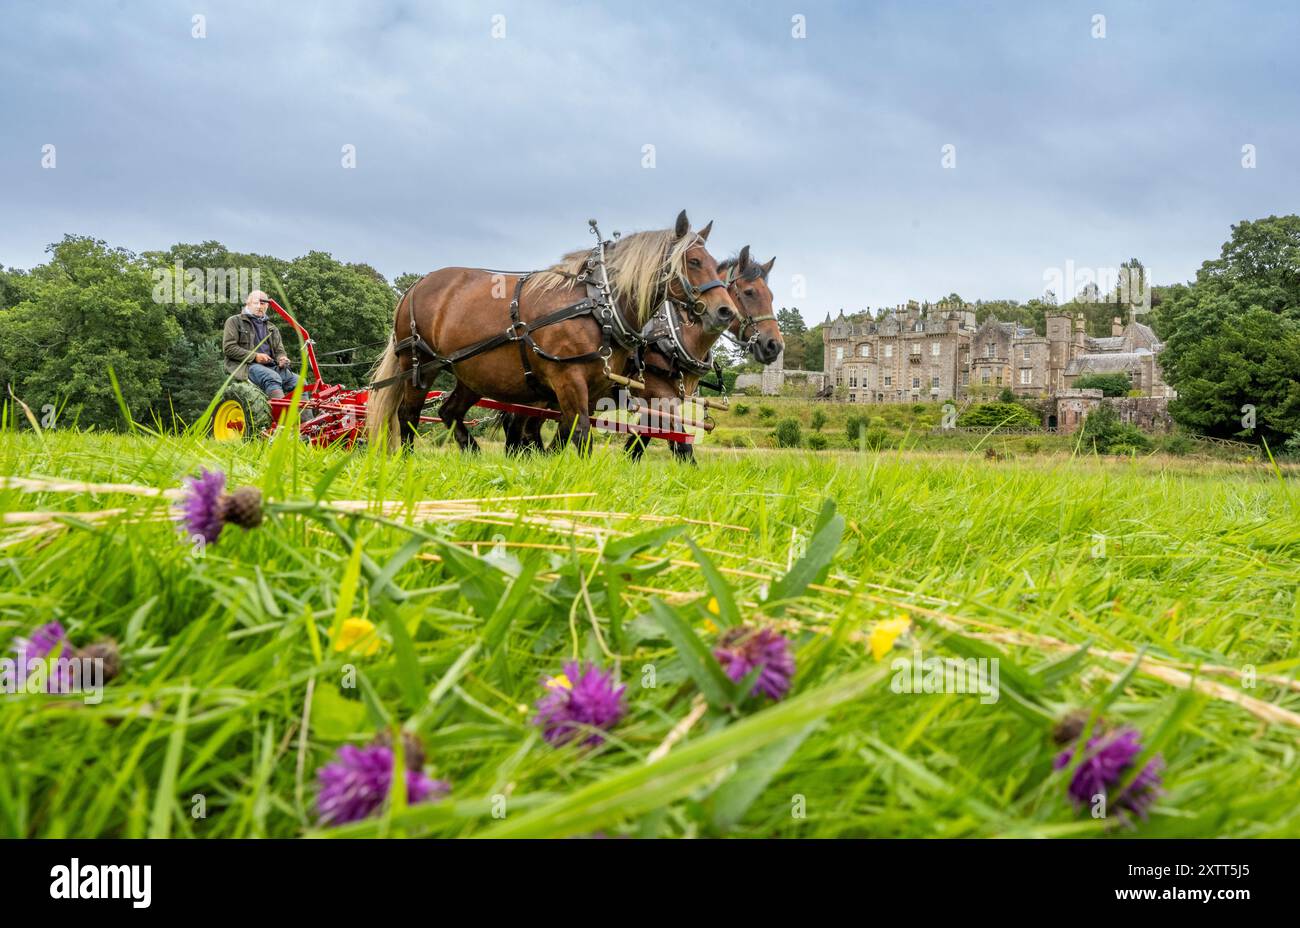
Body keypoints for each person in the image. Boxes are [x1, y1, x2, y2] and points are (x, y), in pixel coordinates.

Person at [222, 290, 299, 399]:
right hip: (246, 366)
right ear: (248, 304)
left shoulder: (272, 328)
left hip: (270, 367)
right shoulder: (234, 321)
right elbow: (229, 348)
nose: (259, 306)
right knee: (272, 378)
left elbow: (279, 351)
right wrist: (255, 356)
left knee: (299, 382)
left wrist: (282, 359)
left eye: (262, 303)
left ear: (267, 305)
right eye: (255, 303)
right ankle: (281, 414)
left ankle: (306, 416)